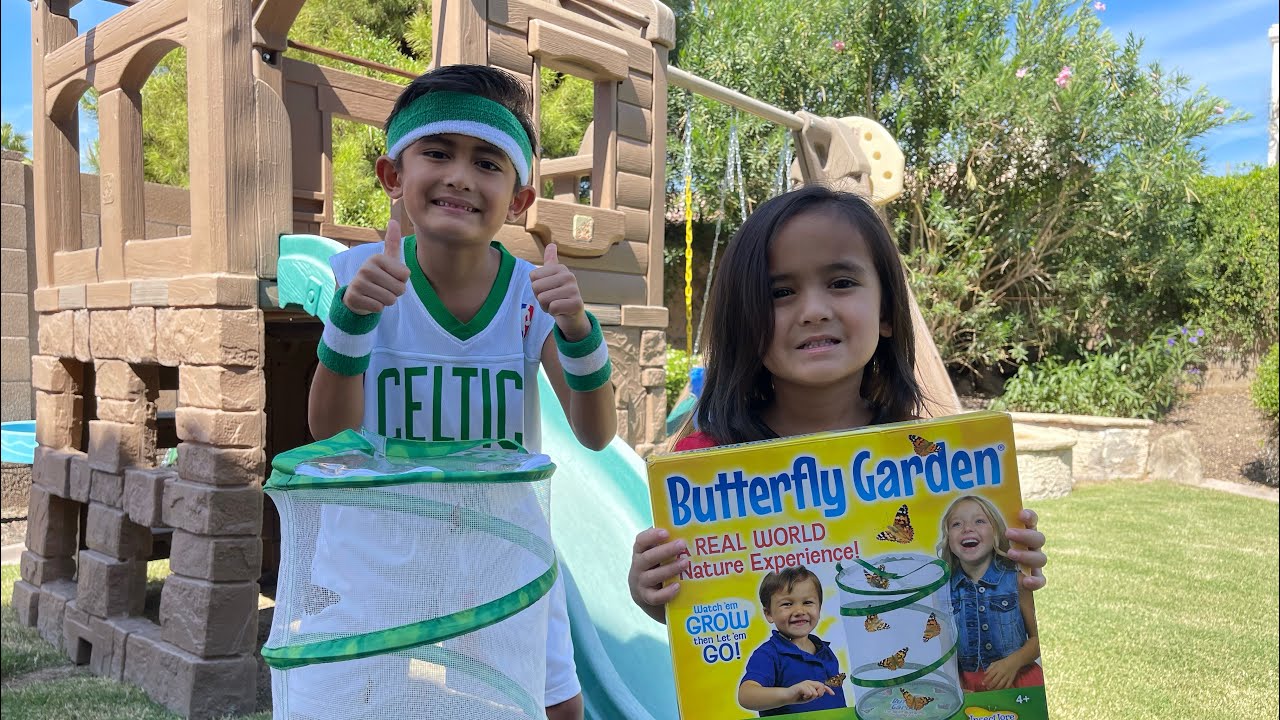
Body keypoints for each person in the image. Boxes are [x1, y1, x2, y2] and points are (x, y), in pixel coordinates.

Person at [307, 64, 616, 720]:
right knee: (365, 702)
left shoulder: (534, 296)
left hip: (500, 540)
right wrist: (353, 321)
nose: (460, 177)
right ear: (394, 175)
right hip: (376, 545)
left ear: (520, 199)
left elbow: (596, 433)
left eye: (488, 162)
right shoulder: (359, 276)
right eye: (438, 153)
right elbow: (328, 433)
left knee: (558, 707)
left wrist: (579, 329)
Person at [627, 185, 1050, 625]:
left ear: (886, 313)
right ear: (745, 320)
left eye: (841, 283)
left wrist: (1005, 562)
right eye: (780, 293)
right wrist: (652, 591)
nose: (813, 310)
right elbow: (701, 610)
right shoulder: (704, 464)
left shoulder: (926, 461)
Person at [939, 494, 1043, 692]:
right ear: (948, 539)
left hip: (1018, 683)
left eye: (979, 521)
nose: (967, 528)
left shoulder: (1018, 581)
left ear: (996, 532)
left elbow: (1039, 640)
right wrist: (955, 683)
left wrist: (1012, 663)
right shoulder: (943, 591)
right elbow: (943, 648)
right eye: (956, 524)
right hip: (968, 688)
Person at [739, 566, 846, 716]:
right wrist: (789, 694)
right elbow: (746, 696)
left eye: (807, 602)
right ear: (769, 613)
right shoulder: (769, 654)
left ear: (819, 608)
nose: (799, 611)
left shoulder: (825, 650)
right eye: (787, 604)